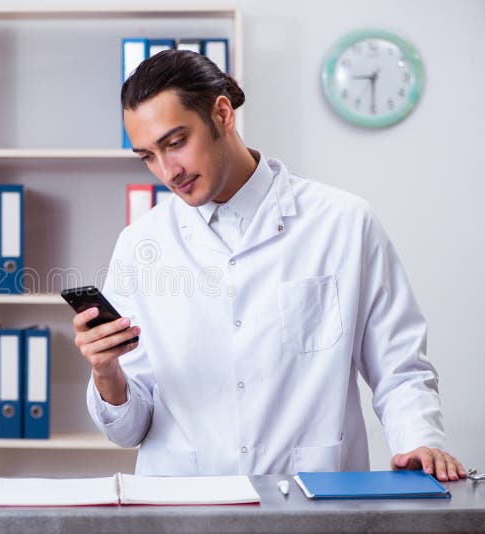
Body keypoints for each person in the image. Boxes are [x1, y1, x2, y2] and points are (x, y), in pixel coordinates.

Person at [70, 49, 466, 480]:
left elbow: (399, 367)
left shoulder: (344, 222)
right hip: (183, 505)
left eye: (176, 142)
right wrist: (106, 371)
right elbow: (128, 432)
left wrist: (419, 442)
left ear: (222, 114)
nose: (168, 171)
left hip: (313, 500)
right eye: (148, 155)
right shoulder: (140, 244)